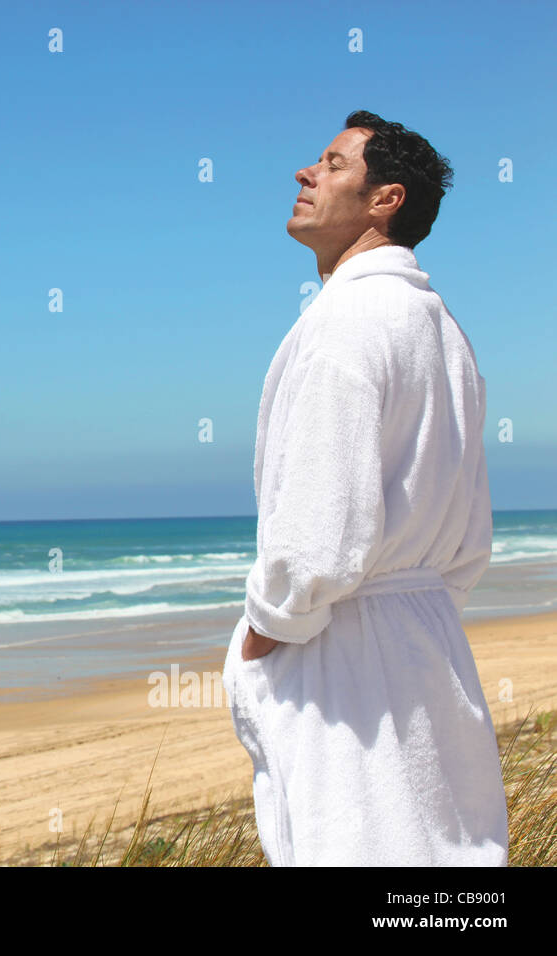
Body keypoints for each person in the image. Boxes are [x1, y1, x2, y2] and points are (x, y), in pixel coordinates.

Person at [222, 110, 507, 866]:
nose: (304, 173)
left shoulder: (346, 323)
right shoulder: (443, 331)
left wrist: (267, 629)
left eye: (333, 163)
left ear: (386, 200)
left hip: (345, 646)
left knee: (355, 844)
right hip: (429, 634)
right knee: (446, 859)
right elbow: (470, 532)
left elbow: (319, 530)